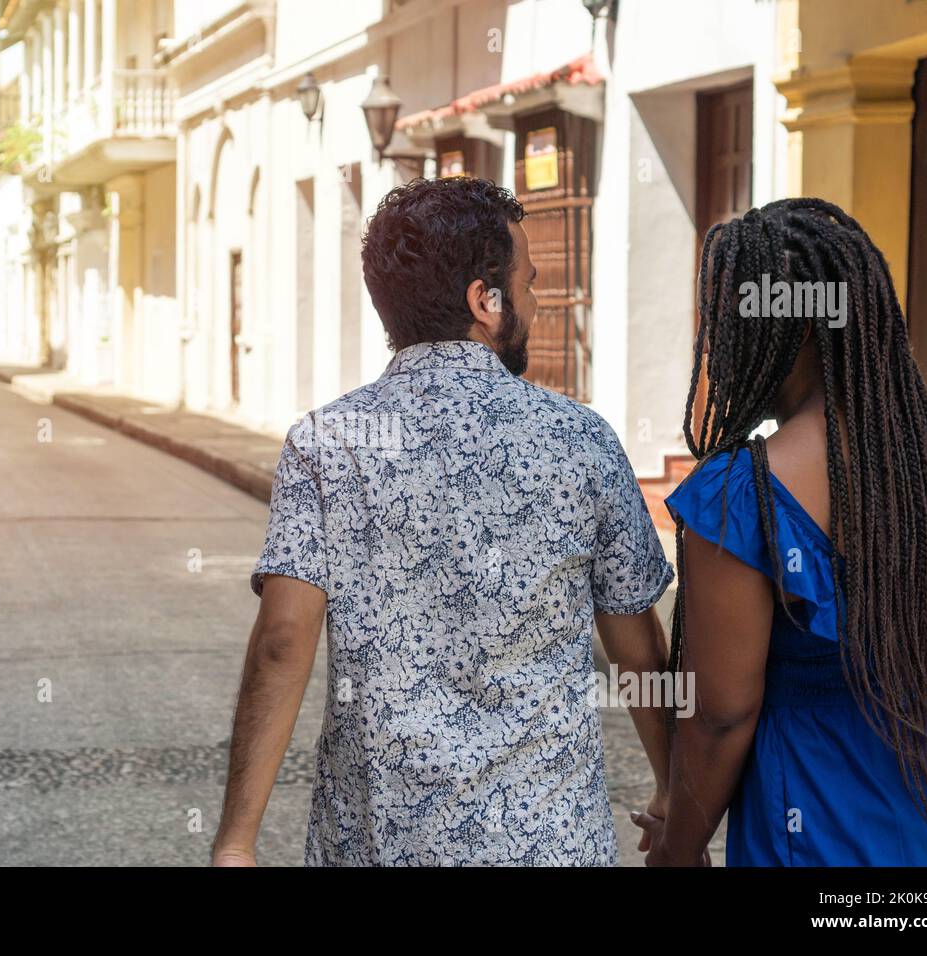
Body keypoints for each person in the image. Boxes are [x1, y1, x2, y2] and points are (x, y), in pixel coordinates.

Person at [211, 177, 675, 866]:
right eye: (528, 282)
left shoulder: (326, 442)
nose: (538, 300)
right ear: (484, 301)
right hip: (550, 846)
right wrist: (675, 788)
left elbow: (283, 640)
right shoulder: (581, 440)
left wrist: (237, 841)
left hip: (379, 845)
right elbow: (636, 649)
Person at [636, 198, 927, 866]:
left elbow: (721, 718)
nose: (713, 341)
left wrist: (677, 850)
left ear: (795, 327)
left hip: (821, 830)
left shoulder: (743, 498)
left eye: (724, 318)